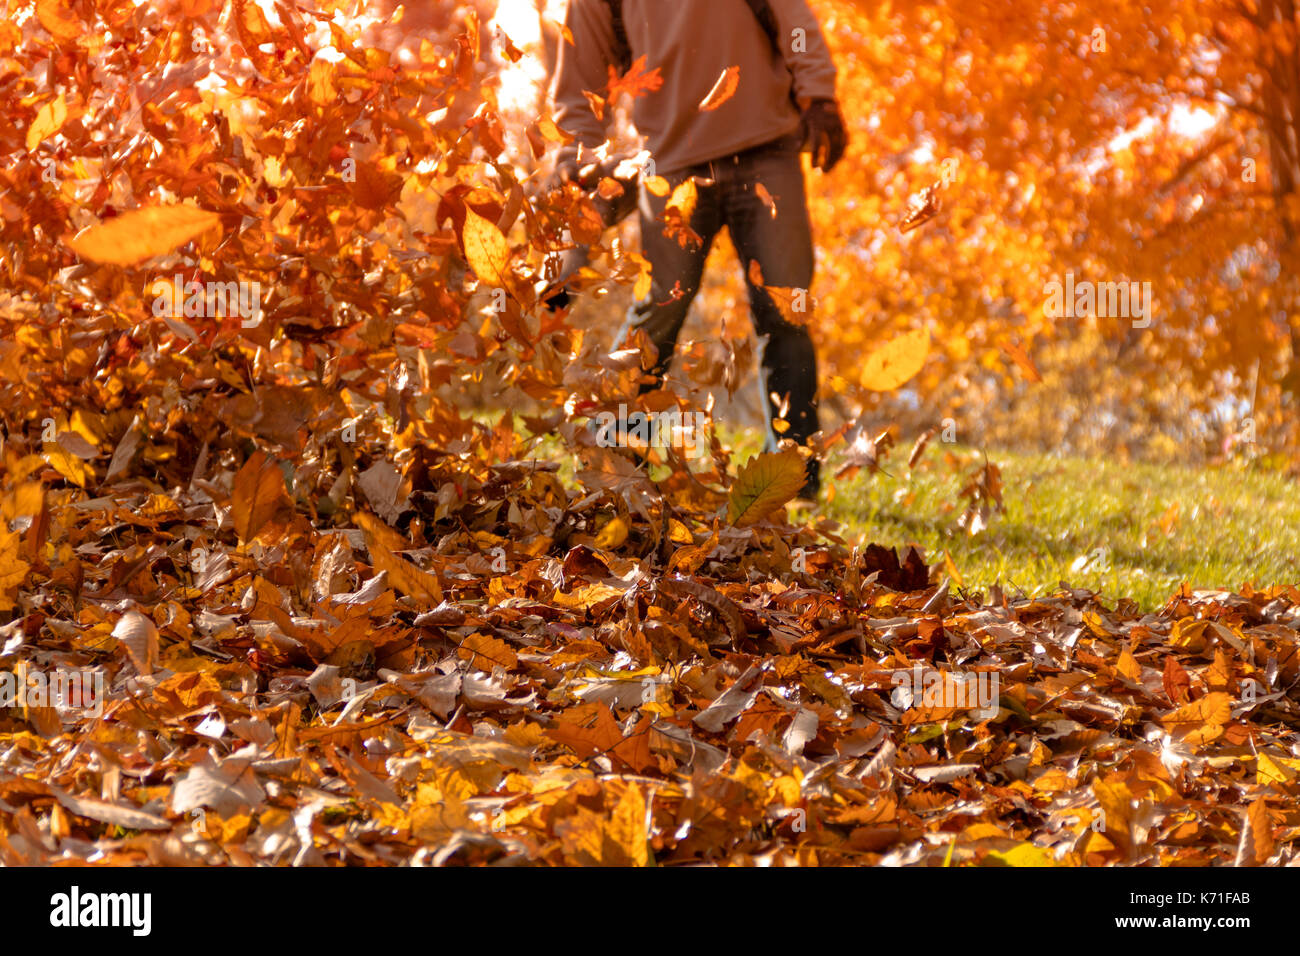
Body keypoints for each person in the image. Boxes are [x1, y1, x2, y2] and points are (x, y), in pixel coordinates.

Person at [547, 0, 845, 496]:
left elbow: (793, 16)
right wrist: (576, 173)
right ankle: (620, 463)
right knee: (660, 308)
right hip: (669, 166)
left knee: (786, 312)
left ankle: (794, 481)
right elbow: (579, 83)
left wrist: (819, 96)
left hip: (766, 149)